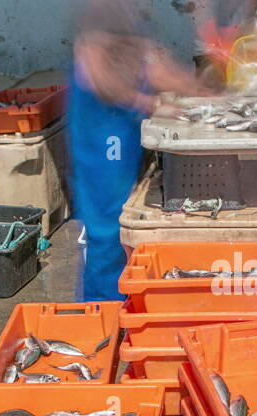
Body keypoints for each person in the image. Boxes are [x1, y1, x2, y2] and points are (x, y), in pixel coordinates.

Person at [70, 0, 206, 301]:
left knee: (128, 220)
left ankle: (129, 302)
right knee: (106, 229)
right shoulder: (102, 10)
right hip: (101, 134)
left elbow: (151, 65)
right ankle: (103, 316)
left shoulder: (133, 12)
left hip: (123, 130)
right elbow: (98, 77)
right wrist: (152, 104)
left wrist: (203, 89)